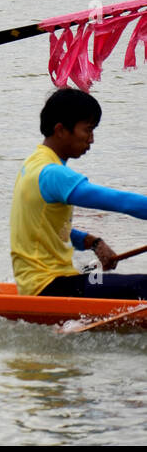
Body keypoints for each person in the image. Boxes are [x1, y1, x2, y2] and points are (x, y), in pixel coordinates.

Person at [10, 88, 147, 299]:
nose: (91, 139)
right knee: (142, 285)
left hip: (42, 284)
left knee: (115, 281)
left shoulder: (32, 164)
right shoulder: (53, 174)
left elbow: (45, 229)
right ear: (61, 130)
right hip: (53, 286)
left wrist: (93, 242)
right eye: (88, 130)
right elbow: (120, 202)